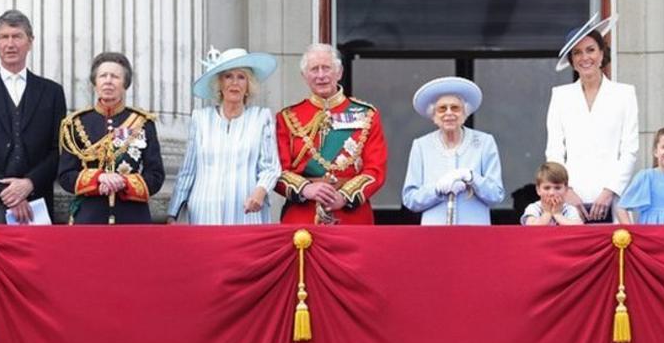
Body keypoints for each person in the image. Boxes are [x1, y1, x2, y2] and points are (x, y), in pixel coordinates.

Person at [0, 10, 68, 224]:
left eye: (17, 36)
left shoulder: (52, 92)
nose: (10, 44)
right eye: (4, 37)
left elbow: (60, 150)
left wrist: (29, 183)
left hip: (37, 204)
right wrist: (8, 192)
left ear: (30, 41)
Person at [275, 43, 388, 224]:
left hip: (352, 216)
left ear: (339, 72)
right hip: (302, 215)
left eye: (326, 68)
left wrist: (344, 196)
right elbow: (277, 170)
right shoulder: (287, 117)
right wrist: (306, 189)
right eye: (314, 69)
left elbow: (375, 170)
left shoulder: (367, 114)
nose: (321, 75)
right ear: (304, 76)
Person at [167, 47, 281, 225]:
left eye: (241, 77)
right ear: (219, 83)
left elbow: (270, 167)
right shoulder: (201, 118)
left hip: (247, 215)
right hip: (204, 215)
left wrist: (260, 191)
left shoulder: (261, 118)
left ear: (248, 85)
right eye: (228, 76)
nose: (234, 82)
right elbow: (188, 171)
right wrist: (172, 214)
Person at [545, 14, 639, 223]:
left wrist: (610, 191)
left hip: (613, 198)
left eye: (590, 50)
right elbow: (554, 150)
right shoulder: (560, 96)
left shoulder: (624, 94)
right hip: (570, 199)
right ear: (571, 60)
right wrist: (565, 190)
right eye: (577, 52)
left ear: (602, 53)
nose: (584, 57)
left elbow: (630, 150)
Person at [57, 52, 164, 224]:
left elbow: (156, 175)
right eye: (103, 76)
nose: (108, 80)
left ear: (125, 84)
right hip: (89, 219)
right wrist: (98, 178)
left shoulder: (143, 123)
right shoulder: (76, 123)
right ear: (95, 83)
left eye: (115, 76)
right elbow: (65, 176)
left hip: (133, 219)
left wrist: (124, 182)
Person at [401, 77, 505, 225]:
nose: (449, 113)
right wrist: (436, 189)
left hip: (475, 234)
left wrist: (471, 178)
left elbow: (496, 195)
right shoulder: (421, 146)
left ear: (465, 113)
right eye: (442, 108)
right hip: (434, 235)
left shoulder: (484, 142)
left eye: (455, 108)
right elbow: (410, 199)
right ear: (434, 116)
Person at [616, 126, 664, 225]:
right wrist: (632, 233)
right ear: (656, 151)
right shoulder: (646, 177)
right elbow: (621, 208)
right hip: (650, 236)